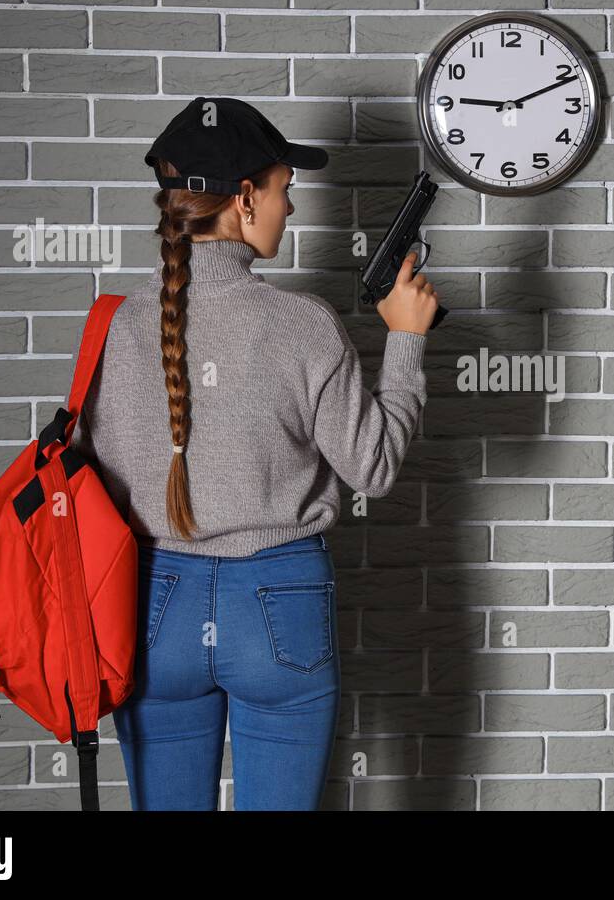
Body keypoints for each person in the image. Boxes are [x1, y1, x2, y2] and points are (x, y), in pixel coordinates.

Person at [66, 96, 440, 810]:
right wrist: (406, 337)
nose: (290, 208)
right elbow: (375, 467)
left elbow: (93, 488)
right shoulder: (302, 325)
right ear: (243, 199)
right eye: (282, 189)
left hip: (152, 607)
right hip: (280, 604)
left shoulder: (114, 326)